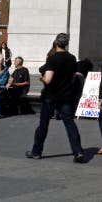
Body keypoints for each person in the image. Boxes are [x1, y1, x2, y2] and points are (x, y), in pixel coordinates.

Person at [25, 32, 85, 163]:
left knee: (43, 124)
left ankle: (36, 151)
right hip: (66, 96)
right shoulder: (72, 58)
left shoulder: (53, 59)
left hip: (51, 96)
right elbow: (73, 76)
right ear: (66, 44)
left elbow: (48, 79)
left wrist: (41, 78)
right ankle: (78, 151)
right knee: (69, 123)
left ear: (56, 43)